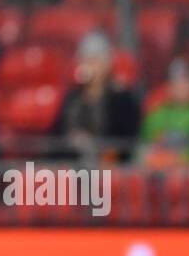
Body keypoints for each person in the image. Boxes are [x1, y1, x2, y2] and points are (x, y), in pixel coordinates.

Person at [53, 31, 141, 161]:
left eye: (94, 60)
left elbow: (126, 143)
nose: (89, 66)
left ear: (107, 63)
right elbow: (56, 138)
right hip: (72, 165)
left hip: (108, 167)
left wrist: (96, 146)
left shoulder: (122, 100)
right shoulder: (71, 99)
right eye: (85, 60)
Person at [136, 59, 189, 167]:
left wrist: (181, 158)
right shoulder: (156, 114)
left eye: (186, 82)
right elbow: (144, 144)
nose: (181, 87)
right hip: (158, 165)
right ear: (169, 86)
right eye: (177, 83)